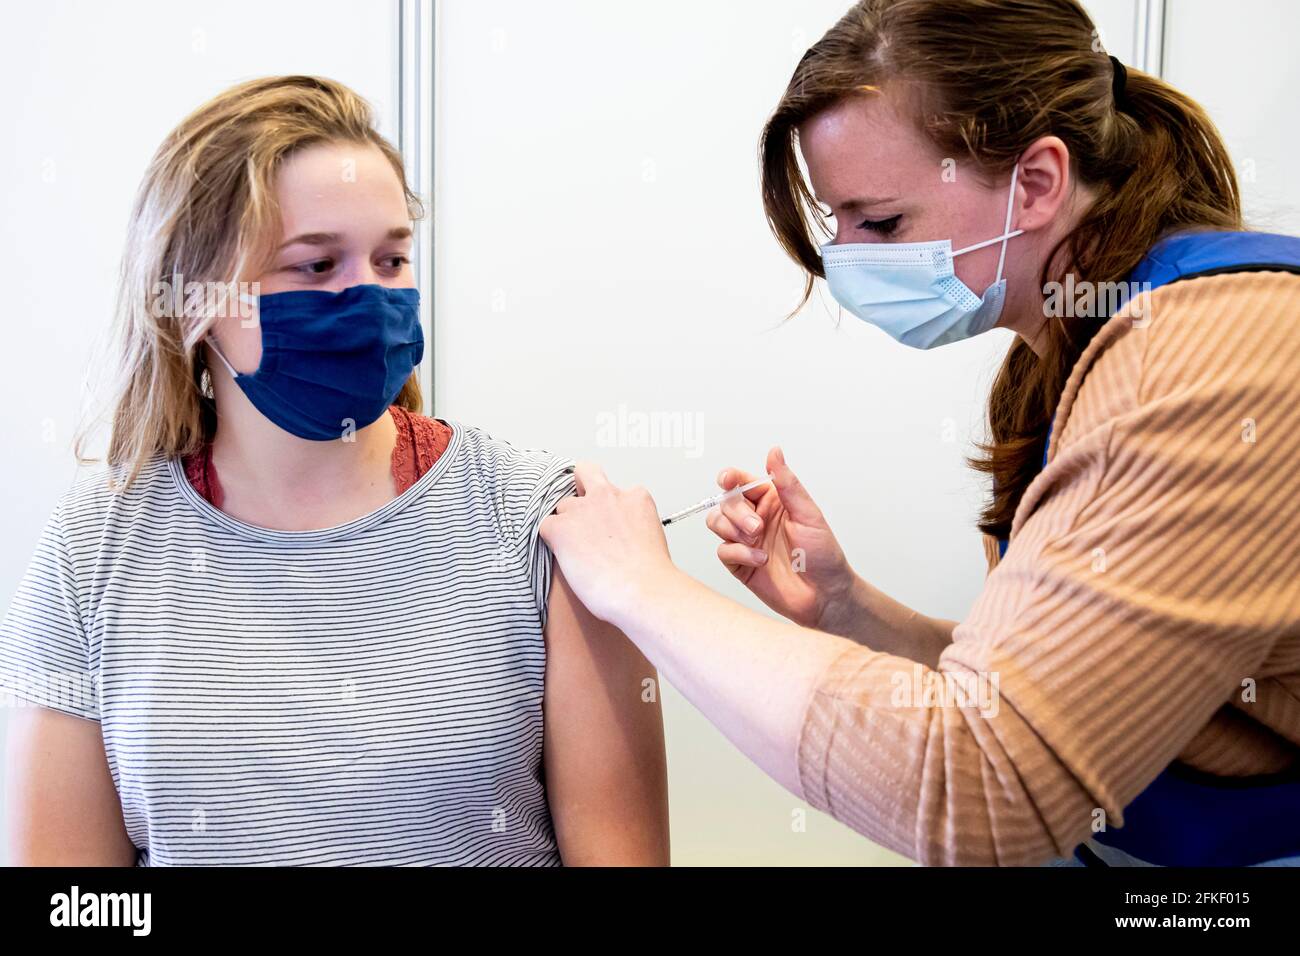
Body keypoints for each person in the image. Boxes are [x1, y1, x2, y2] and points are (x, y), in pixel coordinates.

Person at [539, 0, 1300, 865]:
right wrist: (847, 610)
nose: (849, 261)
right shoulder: (1064, 351)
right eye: (837, 223)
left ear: (1039, 182)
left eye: (883, 222)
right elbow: (1052, 694)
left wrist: (644, 590)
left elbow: (983, 787)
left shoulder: (1209, 364)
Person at [0, 75, 669, 866]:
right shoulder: (96, 545)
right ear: (192, 299)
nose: (369, 296)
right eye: (315, 267)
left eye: (391, 259)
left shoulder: (545, 523)